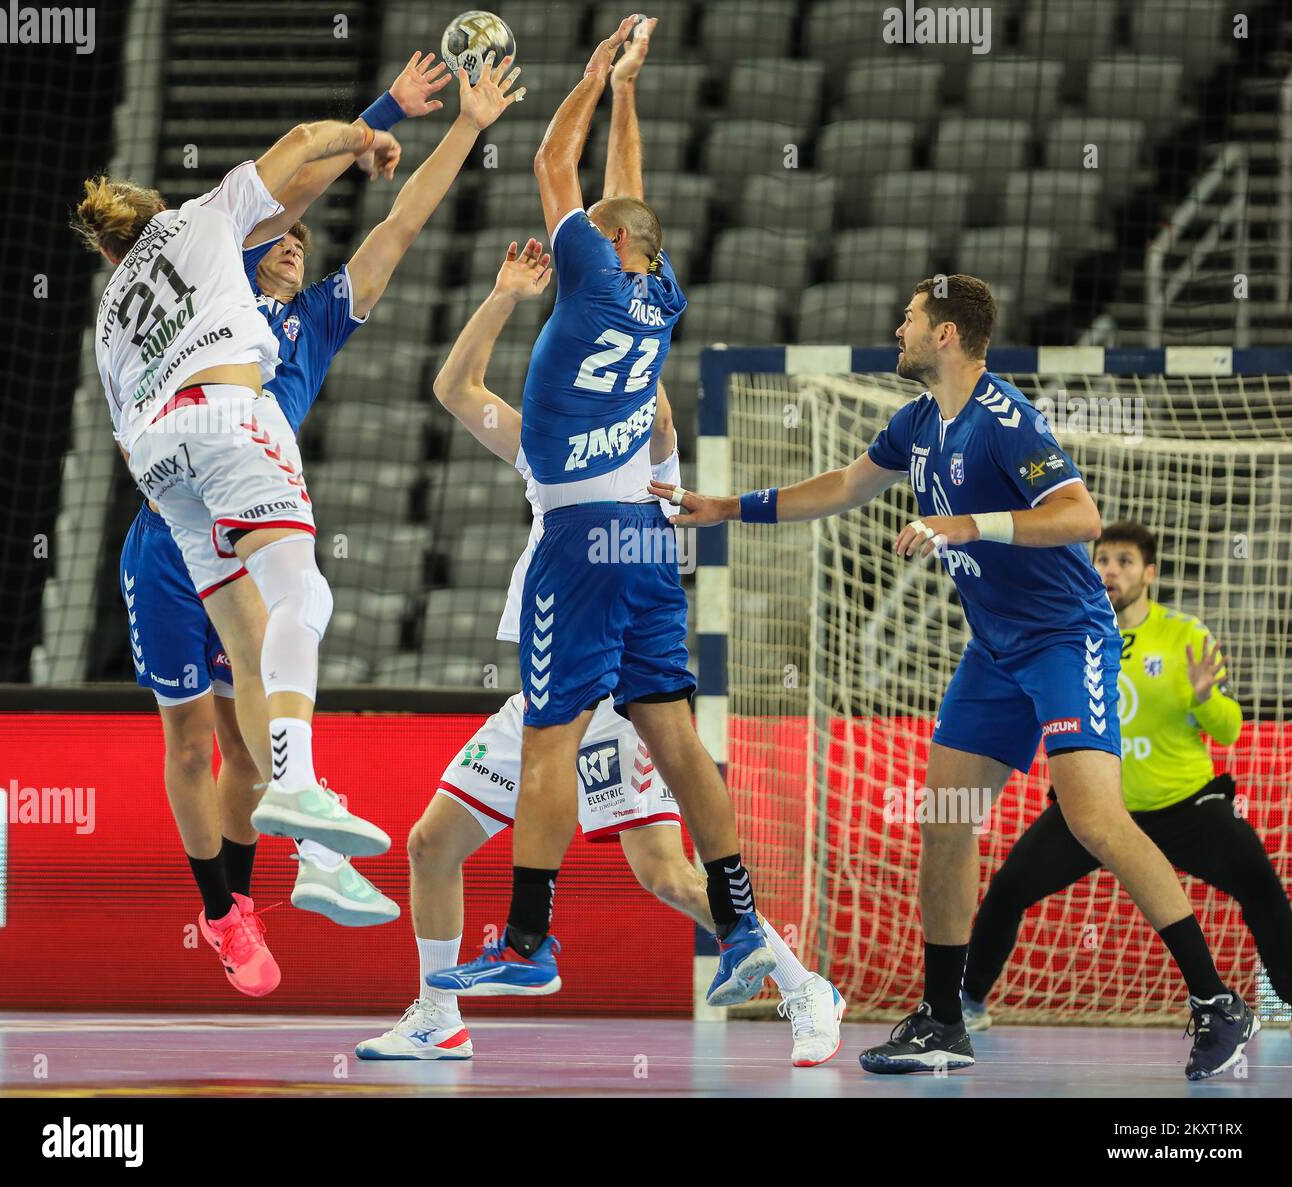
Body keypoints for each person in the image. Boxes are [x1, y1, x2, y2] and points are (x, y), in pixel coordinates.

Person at [652, 275, 1259, 1081]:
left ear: (944, 335)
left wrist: (970, 524)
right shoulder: (915, 424)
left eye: (908, 318)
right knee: (945, 816)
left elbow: (1080, 516)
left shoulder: (1007, 421)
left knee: (1094, 819)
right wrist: (730, 507)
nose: (896, 328)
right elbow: (840, 486)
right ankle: (943, 1018)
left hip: (1063, 639)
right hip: (994, 652)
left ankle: (1217, 1001)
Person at [82, 51, 523, 995]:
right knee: (243, 674)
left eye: (302, 242)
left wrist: (460, 129)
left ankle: (301, 857)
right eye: (285, 236)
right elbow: (297, 170)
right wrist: (381, 119)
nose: (296, 241)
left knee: (254, 674)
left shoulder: (315, 318)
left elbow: (398, 224)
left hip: (185, 471)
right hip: (203, 488)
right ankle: (243, 880)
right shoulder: (215, 257)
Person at [355, 240, 843, 1065]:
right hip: (553, 682)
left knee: (667, 874)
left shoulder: (646, 436)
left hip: (614, 686)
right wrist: (506, 294)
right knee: (431, 843)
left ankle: (803, 987)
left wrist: (628, 357)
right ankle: (439, 1014)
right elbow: (453, 388)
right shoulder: (549, 441)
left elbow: (654, 419)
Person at [430, 14, 777, 1010]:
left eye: (596, 223)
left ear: (606, 242)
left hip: (578, 538)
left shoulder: (584, 276)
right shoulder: (658, 291)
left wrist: (586, 79)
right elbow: (628, 193)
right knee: (674, 738)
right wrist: (628, 92)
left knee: (550, 738)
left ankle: (530, 939)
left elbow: (551, 158)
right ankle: (742, 919)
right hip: (643, 537)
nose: (573, 225)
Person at [960, 520, 1289, 1033]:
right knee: (1008, 887)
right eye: (1103, 560)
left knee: (1261, 885)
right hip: (1095, 810)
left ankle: (1285, 1000)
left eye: (1125, 562)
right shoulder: (1069, 631)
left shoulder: (1183, 635)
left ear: (1149, 573)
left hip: (1182, 807)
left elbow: (1227, 731)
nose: (1111, 570)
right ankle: (968, 1005)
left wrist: (1206, 698)